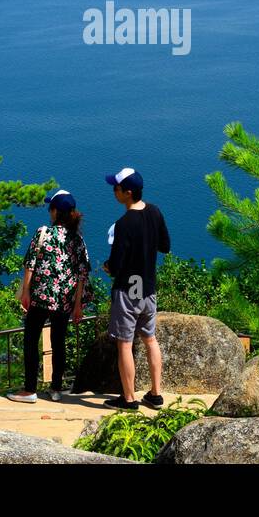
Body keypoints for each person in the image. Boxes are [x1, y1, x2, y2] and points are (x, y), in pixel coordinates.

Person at [9, 189, 90, 404]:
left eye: (50, 208)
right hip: (64, 301)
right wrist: (78, 305)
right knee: (59, 343)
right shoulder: (78, 239)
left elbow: (30, 264)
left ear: (55, 211)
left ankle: (29, 390)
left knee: (30, 340)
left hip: (40, 298)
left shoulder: (43, 232)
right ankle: (56, 389)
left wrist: (25, 292)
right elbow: (82, 273)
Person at [101, 167, 170, 410]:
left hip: (129, 288)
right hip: (148, 286)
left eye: (116, 188)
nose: (114, 191)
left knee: (125, 344)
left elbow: (117, 265)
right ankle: (155, 394)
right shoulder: (155, 212)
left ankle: (129, 399)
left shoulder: (123, 224)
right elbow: (165, 245)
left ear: (127, 193)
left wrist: (108, 267)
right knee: (150, 339)